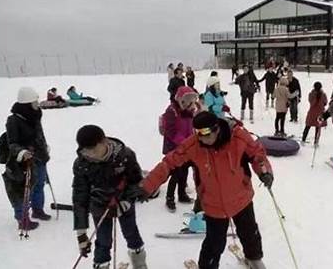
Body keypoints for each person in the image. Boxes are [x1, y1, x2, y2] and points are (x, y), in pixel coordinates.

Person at [139, 111, 273, 269]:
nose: (201, 138)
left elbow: (257, 154)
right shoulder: (194, 144)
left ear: (216, 129)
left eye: (205, 134)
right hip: (213, 204)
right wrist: (147, 186)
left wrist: (265, 172)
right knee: (214, 243)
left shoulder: (238, 137)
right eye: (198, 133)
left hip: (241, 198)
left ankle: (254, 258)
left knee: (249, 233)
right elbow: (168, 163)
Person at [72, 125, 150, 269]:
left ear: (104, 141)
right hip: (99, 206)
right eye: (86, 151)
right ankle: (101, 265)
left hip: (123, 203)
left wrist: (127, 201)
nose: (91, 155)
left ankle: (139, 263)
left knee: (131, 232)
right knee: (103, 241)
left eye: (94, 150)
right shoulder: (81, 164)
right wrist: (81, 233)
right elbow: (79, 197)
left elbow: (137, 182)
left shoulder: (125, 156)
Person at [2, 87, 51, 231]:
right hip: (24, 162)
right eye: (34, 101)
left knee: (39, 185)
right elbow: (12, 143)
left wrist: (44, 147)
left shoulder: (35, 115)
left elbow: (39, 136)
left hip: (39, 157)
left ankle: (38, 209)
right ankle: (22, 219)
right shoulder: (13, 120)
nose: (37, 103)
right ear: (27, 103)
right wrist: (22, 152)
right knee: (24, 191)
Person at [162, 86, 198, 211]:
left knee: (185, 170)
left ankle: (182, 194)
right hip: (174, 147)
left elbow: (191, 128)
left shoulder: (189, 111)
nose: (191, 103)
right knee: (176, 173)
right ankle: (169, 198)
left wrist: (192, 141)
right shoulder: (171, 111)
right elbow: (171, 132)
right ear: (180, 100)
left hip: (187, 146)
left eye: (192, 100)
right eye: (188, 100)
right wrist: (185, 142)